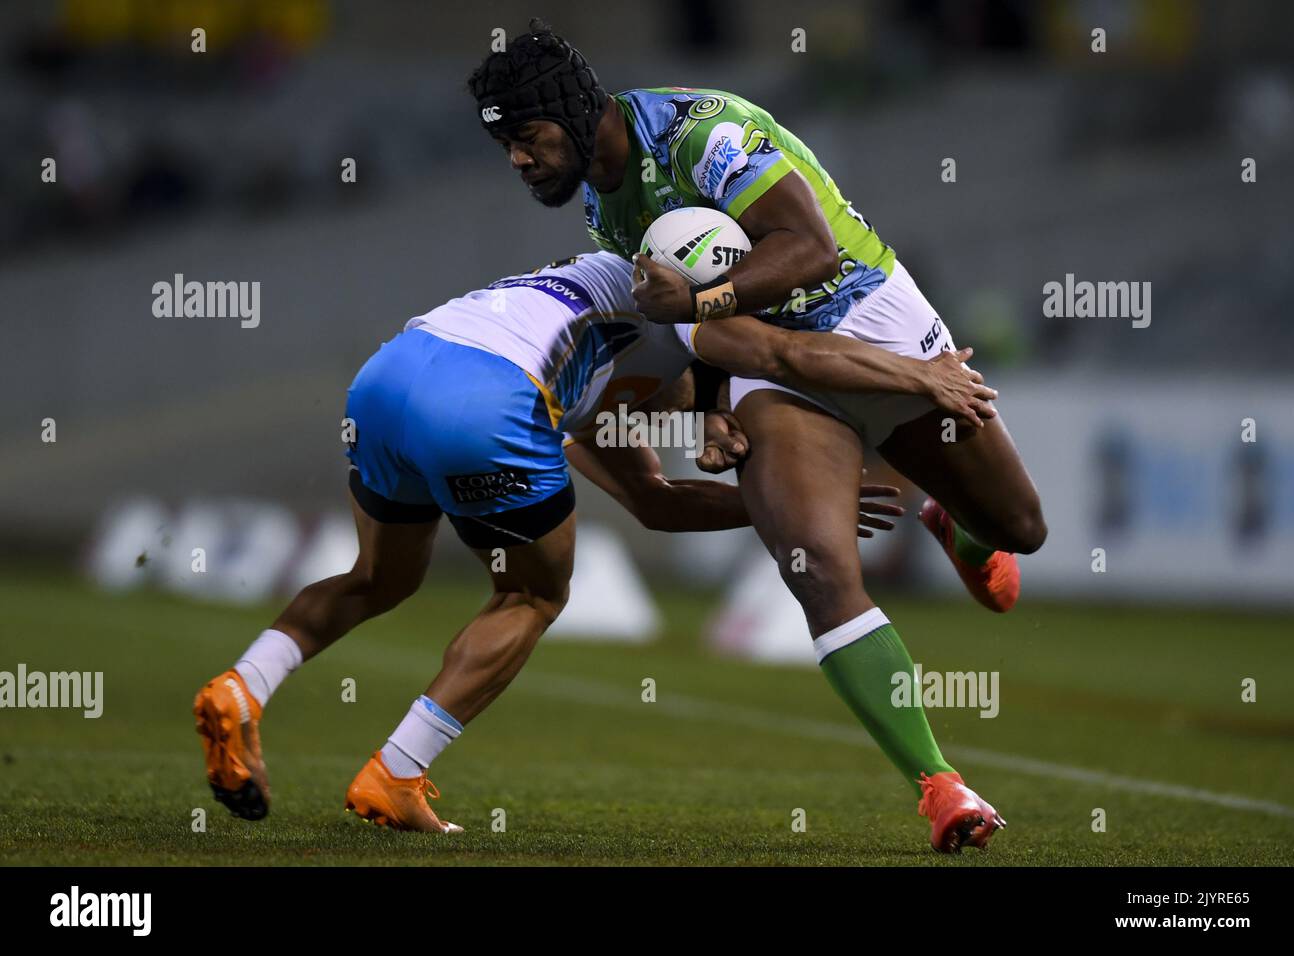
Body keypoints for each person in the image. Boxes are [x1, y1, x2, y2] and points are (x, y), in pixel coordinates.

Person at [469, 21, 1048, 850]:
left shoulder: (704, 135)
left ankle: (960, 524)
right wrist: (711, 406)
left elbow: (807, 249)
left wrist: (704, 307)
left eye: (526, 139)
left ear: (570, 108)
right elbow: (702, 325)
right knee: (814, 568)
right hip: (773, 370)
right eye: (507, 147)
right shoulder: (604, 201)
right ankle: (941, 786)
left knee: (1021, 529)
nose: (520, 161)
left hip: (873, 322)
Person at [193, 250, 991, 832]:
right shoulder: (694, 321)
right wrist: (913, 379)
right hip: (488, 399)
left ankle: (242, 686)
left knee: (378, 577)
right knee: (534, 592)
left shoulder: (597, 326)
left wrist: (776, 508)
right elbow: (789, 354)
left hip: (392, 375)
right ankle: (396, 772)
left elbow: (652, 500)